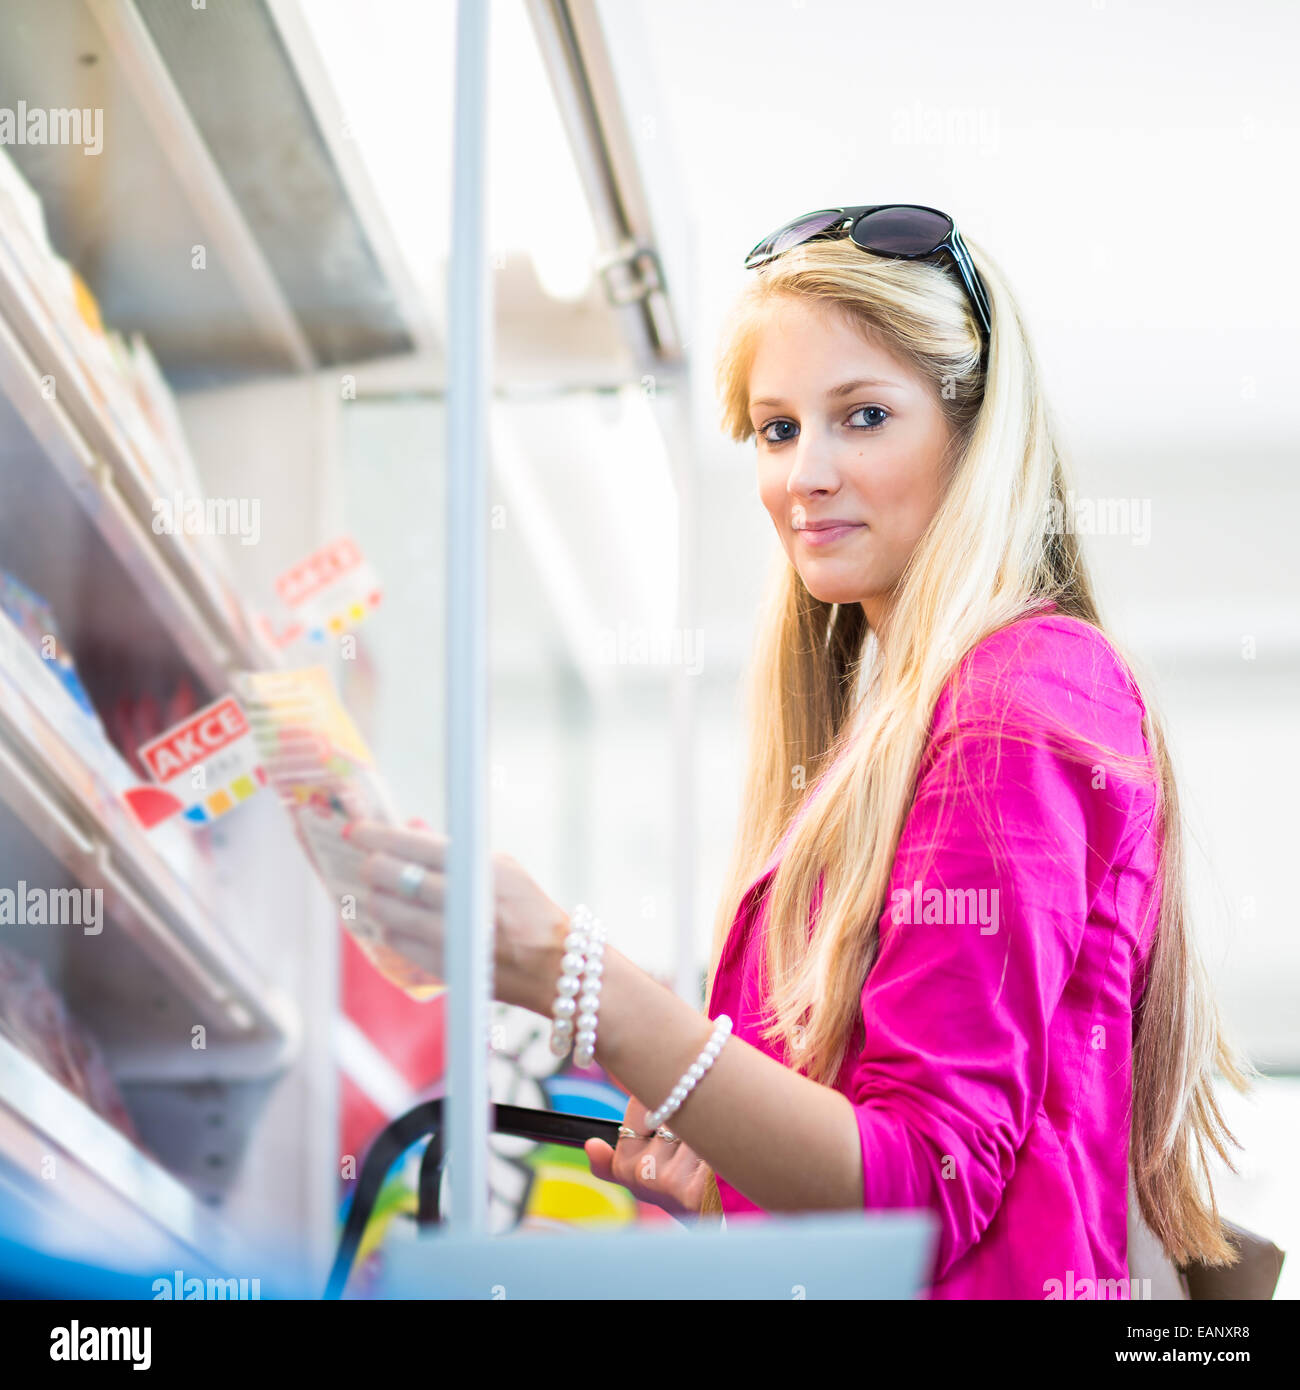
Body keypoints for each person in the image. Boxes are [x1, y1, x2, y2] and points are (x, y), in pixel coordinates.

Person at [347, 204, 1252, 1299]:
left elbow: (923, 1191)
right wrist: (730, 1169)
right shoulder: (899, 728)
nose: (803, 476)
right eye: (776, 430)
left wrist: (577, 976)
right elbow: (882, 1188)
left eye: (861, 416)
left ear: (973, 432)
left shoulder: (1022, 690)